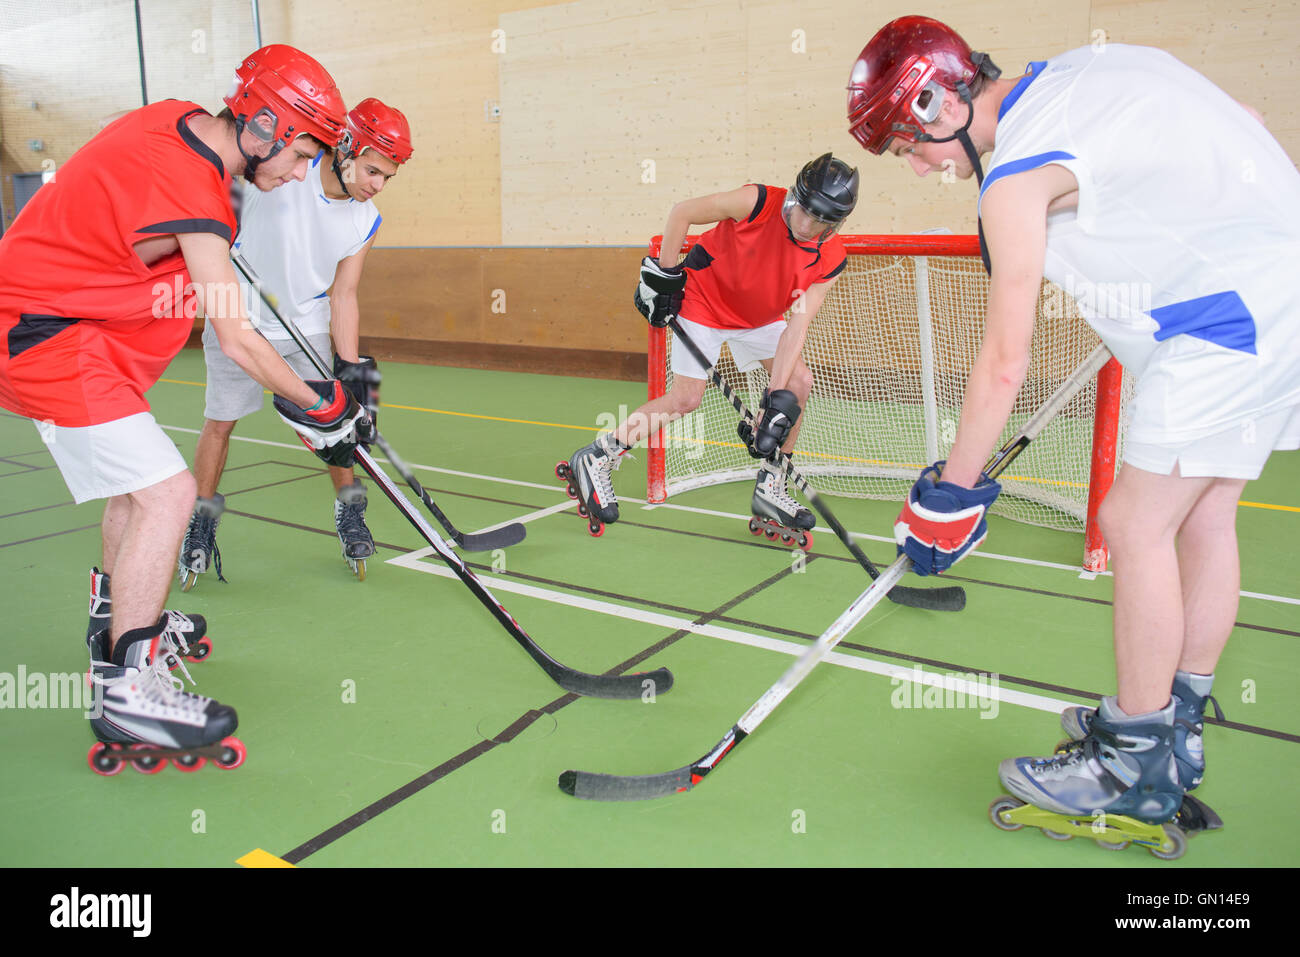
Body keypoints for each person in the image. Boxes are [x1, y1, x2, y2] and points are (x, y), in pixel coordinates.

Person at [848, 17, 1300, 849]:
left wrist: (953, 493)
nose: (917, 165)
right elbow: (1247, 120)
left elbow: (1003, 364)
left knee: (1133, 522)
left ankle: (1132, 763)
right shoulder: (1081, 72)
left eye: (910, 143)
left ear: (942, 99)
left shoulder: (1012, 180)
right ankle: (1177, 730)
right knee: (1203, 517)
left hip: (1220, 322)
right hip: (1275, 299)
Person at [0, 44, 367, 773]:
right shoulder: (201, 194)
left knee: (136, 491)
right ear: (262, 124)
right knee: (169, 492)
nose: (299, 171)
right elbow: (234, 334)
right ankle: (130, 689)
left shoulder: (175, 122)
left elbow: (136, 230)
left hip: (74, 331)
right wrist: (324, 400)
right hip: (48, 336)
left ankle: (117, 623)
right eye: (298, 153)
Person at [559, 154, 859, 547]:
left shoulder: (831, 258)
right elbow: (682, 213)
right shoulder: (756, 202)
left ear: (835, 223)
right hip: (704, 300)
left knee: (797, 385)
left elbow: (796, 326)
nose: (806, 225)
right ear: (795, 197)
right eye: (804, 211)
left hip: (760, 317)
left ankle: (772, 486)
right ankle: (599, 455)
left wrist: (772, 402)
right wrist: (663, 278)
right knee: (686, 398)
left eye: (820, 221)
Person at [179, 97, 413, 588]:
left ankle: (350, 512)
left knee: (338, 430)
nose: (377, 185)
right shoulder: (287, 169)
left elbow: (344, 293)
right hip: (236, 319)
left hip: (305, 323)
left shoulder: (364, 220)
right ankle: (201, 520)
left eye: (387, 178)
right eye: (372, 170)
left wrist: (350, 371)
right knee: (220, 423)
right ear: (346, 148)